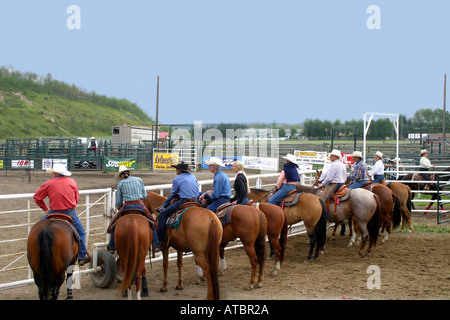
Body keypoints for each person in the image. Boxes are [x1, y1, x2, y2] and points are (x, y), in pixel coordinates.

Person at [33, 163, 91, 266]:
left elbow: (37, 197)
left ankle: (35, 252)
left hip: (53, 213)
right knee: (81, 232)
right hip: (70, 214)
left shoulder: (49, 183)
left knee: (37, 230)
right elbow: (76, 199)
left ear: (55, 173)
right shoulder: (72, 182)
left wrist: (45, 209)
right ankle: (82, 256)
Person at [107, 165, 155, 253]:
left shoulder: (121, 183)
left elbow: (118, 202)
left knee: (113, 225)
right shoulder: (139, 179)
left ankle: (112, 246)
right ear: (129, 173)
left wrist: (119, 210)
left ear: (121, 175)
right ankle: (156, 245)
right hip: (140, 205)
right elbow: (144, 196)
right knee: (153, 223)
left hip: (127, 206)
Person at [155, 162, 199, 244]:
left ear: (179, 170)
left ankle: (161, 239)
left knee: (162, 214)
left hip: (184, 201)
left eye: (176, 169)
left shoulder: (177, 179)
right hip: (195, 201)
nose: (176, 170)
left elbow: (174, 193)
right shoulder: (193, 176)